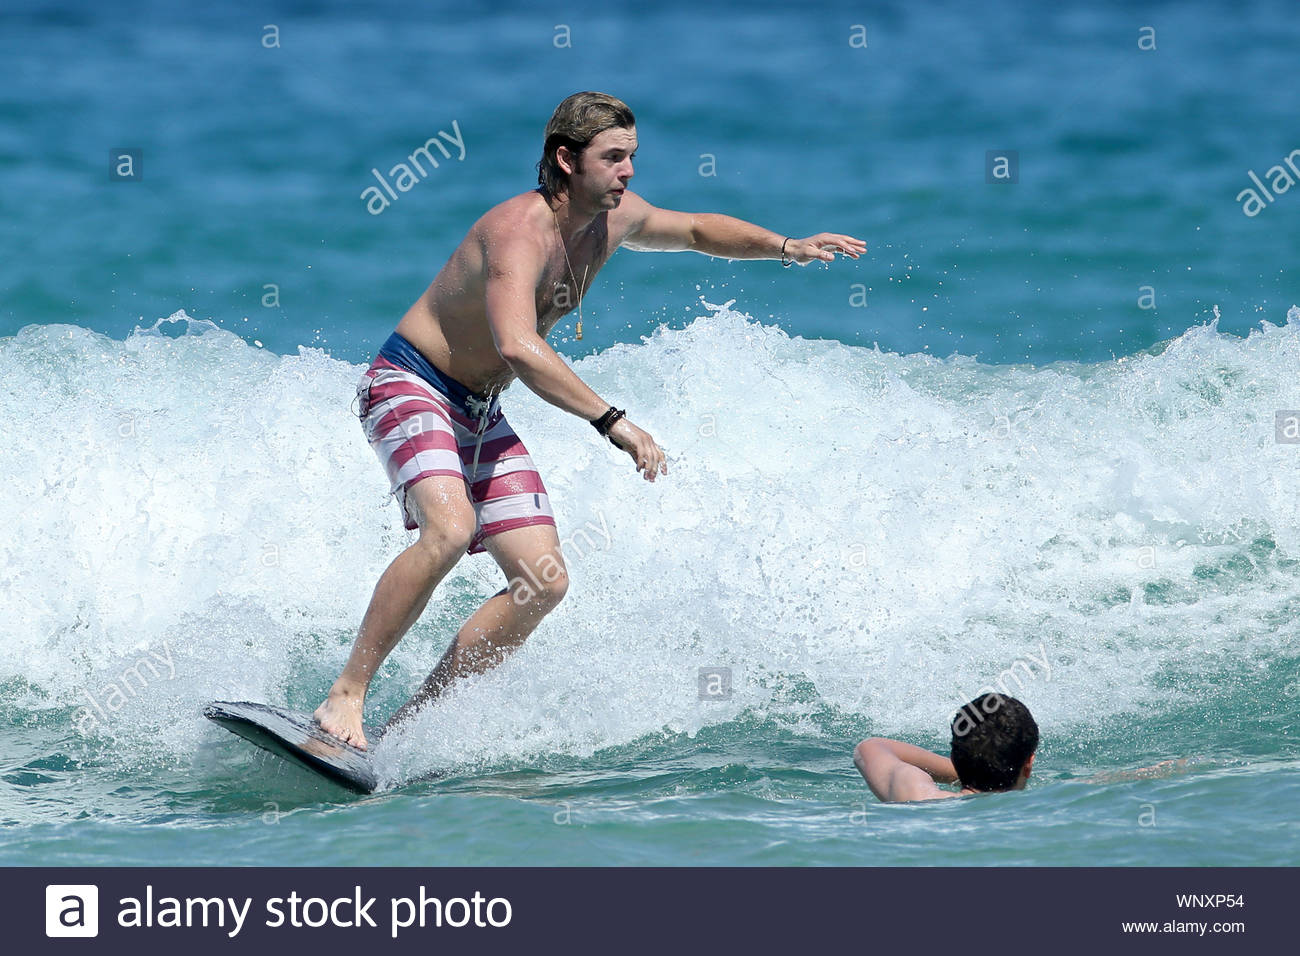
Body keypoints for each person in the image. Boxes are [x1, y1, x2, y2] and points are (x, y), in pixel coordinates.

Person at [314, 91, 866, 748]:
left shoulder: (614, 218)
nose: (628, 172)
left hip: (478, 409)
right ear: (566, 160)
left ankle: (406, 730)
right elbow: (518, 344)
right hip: (411, 383)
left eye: (632, 157)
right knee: (451, 530)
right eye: (613, 158)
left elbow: (693, 231)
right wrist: (615, 422)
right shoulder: (517, 233)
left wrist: (786, 246)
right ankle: (344, 697)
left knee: (541, 582)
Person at [854, 693, 1038, 802]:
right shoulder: (1037, 818)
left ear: (955, 758)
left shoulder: (919, 798)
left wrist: (972, 766)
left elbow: (871, 747)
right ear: (1028, 766)